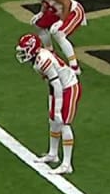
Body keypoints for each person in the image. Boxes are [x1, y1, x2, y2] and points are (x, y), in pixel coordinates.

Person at [15, 33, 81, 175]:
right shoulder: (38, 59)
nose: (22, 53)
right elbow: (52, 84)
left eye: (24, 49)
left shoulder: (43, 60)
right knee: (52, 121)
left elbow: (57, 84)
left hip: (68, 86)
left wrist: (57, 110)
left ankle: (67, 164)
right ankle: (53, 154)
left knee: (63, 122)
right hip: (57, 87)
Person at [22, 0, 86, 74]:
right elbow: (45, 0)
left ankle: (74, 67)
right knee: (39, 26)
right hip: (57, 11)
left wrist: (61, 21)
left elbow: (67, 3)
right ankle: (50, 53)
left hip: (72, 11)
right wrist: (41, 13)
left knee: (58, 34)